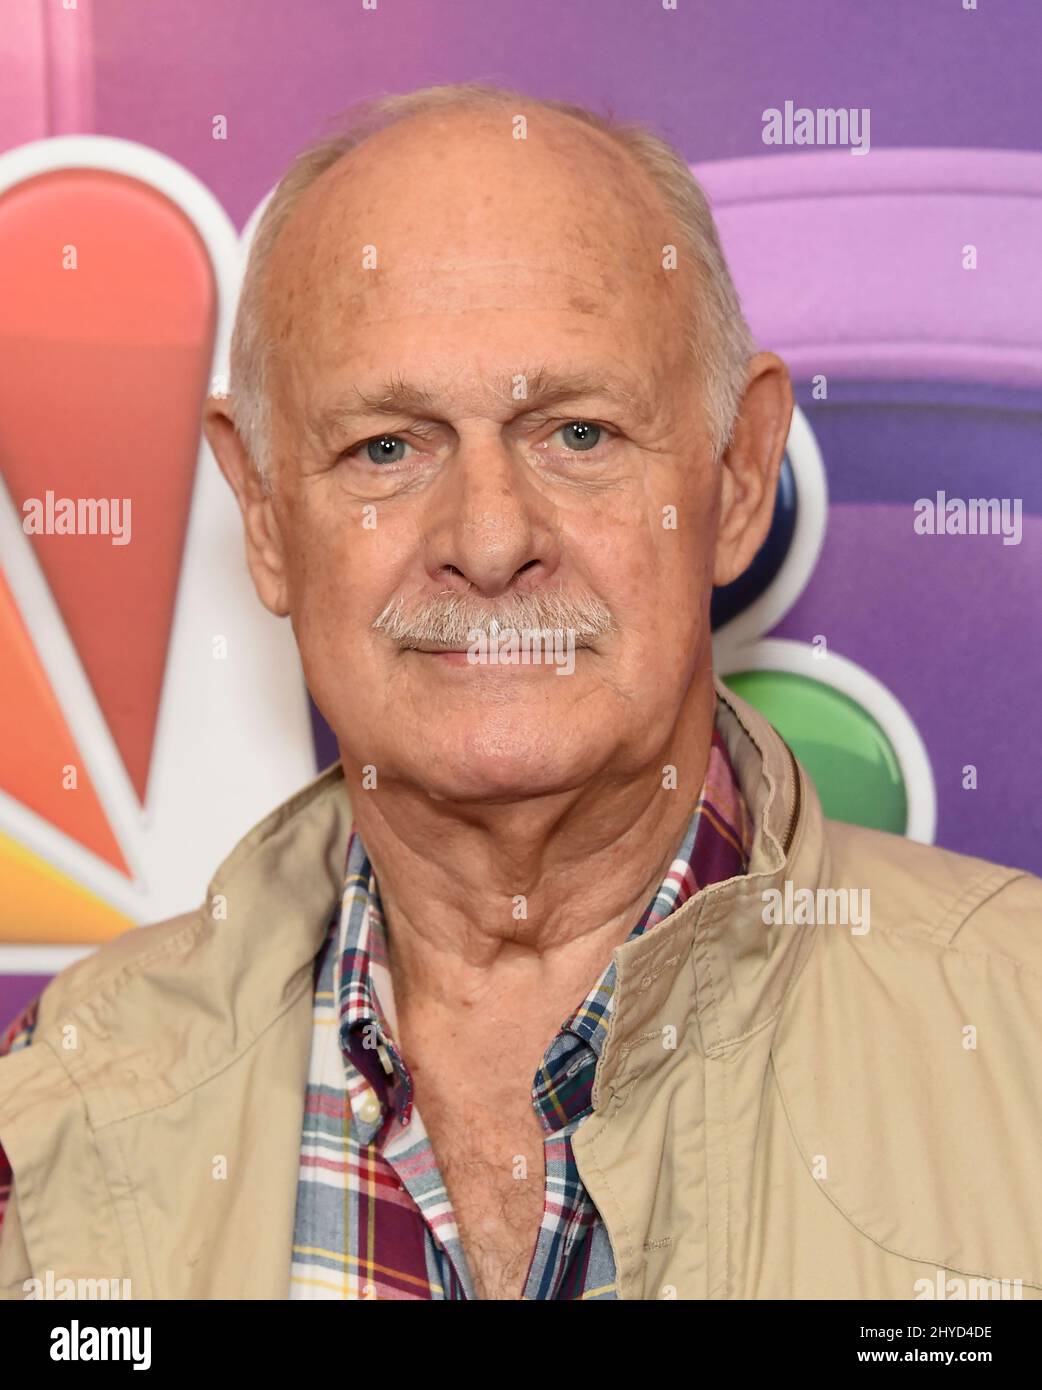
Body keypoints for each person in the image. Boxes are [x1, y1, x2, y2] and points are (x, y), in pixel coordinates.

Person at [1, 82, 1040, 1302]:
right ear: (268, 517)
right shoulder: (58, 1129)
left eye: (579, 434)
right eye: (387, 445)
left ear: (740, 474)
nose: (490, 540)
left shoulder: (1016, 1039)